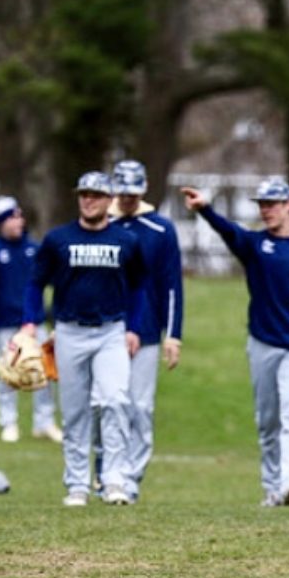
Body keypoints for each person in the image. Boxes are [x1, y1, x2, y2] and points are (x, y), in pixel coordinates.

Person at [181, 177, 289, 508]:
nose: (265, 210)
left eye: (271, 204)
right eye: (261, 205)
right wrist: (205, 210)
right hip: (263, 344)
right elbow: (229, 232)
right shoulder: (255, 246)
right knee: (268, 420)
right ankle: (272, 488)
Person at [23, 172, 147, 507]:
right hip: (68, 331)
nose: (88, 199)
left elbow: (138, 287)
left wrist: (134, 328)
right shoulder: (58, 239)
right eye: (84, 194)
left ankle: (114, 480)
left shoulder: (126, 241)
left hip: (110, 332)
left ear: (109, 201)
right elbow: (36, 283)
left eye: (95, 194)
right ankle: (77, 484)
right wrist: (29, 323)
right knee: (75, 412)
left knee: (115, 402)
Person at [101, 159, 184, 502]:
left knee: (140, 407)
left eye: (134, 192)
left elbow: (171, 285)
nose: (128, 198)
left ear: (144, 189)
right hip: (102, 330)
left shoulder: (161, 229)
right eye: (123, 192)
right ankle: (104, 474)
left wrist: (173, 333)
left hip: (147, 333)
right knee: (106, 405)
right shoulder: (100, 225)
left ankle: (130, 479)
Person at [0, 196, 61, 444]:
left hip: (35, 322)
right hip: (7, 323)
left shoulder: (35, 249)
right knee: (8, 373)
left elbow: (52, 282)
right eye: (12, 218)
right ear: (2, 222)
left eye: (19, 216)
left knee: (44, 372)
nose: (18, 222)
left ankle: (44, 422)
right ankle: (9, 422)